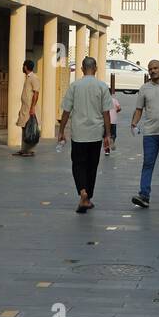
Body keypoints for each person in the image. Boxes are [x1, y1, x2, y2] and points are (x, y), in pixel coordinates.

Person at [56, 56, 112, 214]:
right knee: (92, 165)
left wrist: (61, 131)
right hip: (95, 133)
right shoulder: (102, 86)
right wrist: (108, 134)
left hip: (79, 134)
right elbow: (106, 112)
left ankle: (83, 193)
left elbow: (66, 111)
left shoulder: (74, 86)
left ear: (81, 68)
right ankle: (88, 196)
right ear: (96, 68)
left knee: (78, 164)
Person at [130, 60, 159, 208]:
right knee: (148, 164)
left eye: (155, 68)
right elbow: (139, 109)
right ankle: (144, 195)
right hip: (150, 134)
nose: (153, 71)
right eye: (150, 69)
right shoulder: (144, 89)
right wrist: (134, 123)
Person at [12, 59, 40, 157]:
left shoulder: (33, 77)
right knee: (24, 128)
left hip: (29, 108)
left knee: (29, 128)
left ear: (25, 67)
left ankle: (29, 150)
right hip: (25, 107)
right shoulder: (28, 77)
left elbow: (36, 93)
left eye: (23, 65)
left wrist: (32, 108)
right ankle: (23, 149)